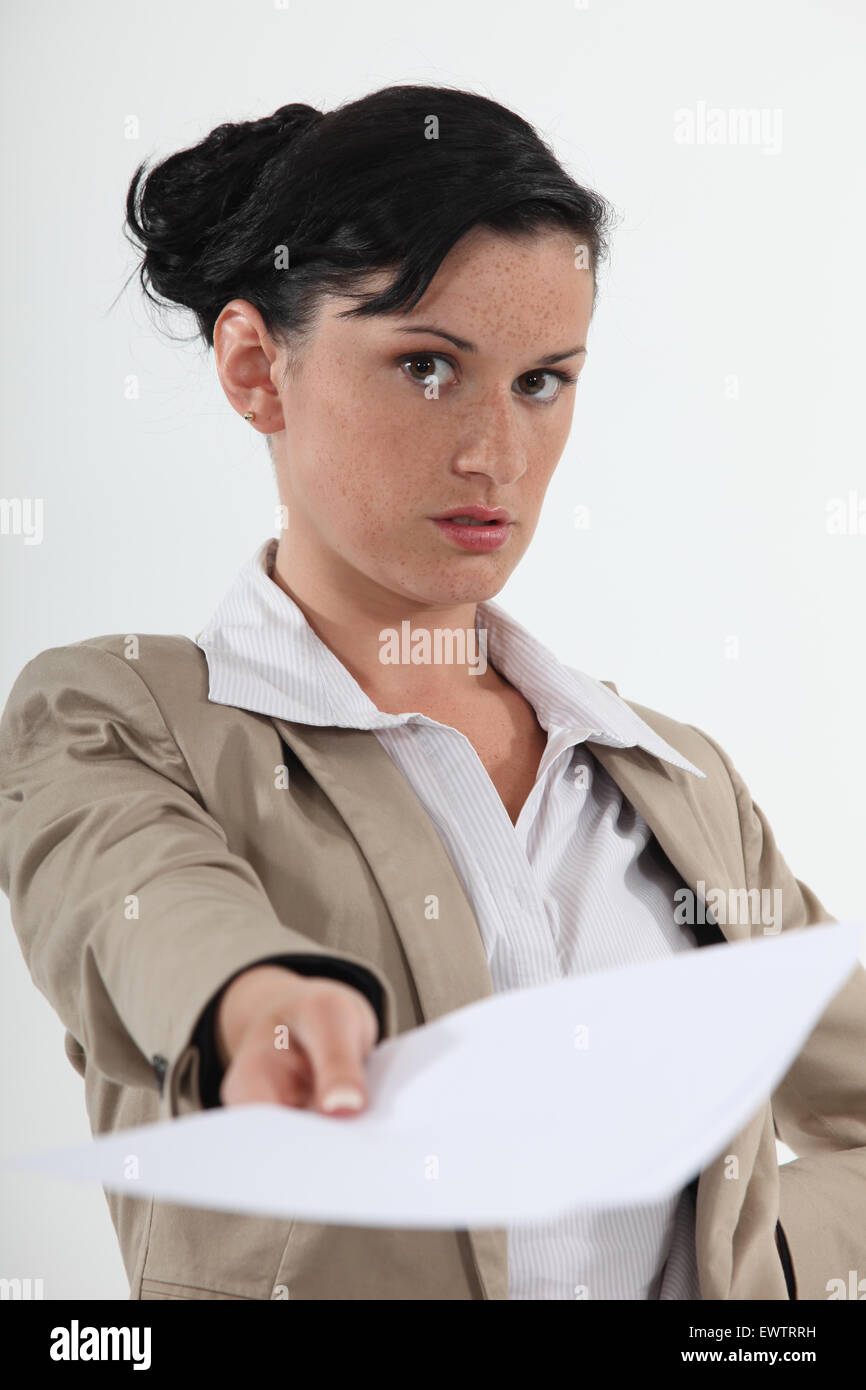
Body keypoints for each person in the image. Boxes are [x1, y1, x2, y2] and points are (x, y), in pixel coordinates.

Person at [1, 83, 864, 1302]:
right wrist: (254, 1003)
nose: (494, 456)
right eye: (423, 365)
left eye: (540, 381)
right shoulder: (119, 715)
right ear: (255, 368)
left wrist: (748, 1264)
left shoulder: (670, 778)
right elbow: (135, 897)